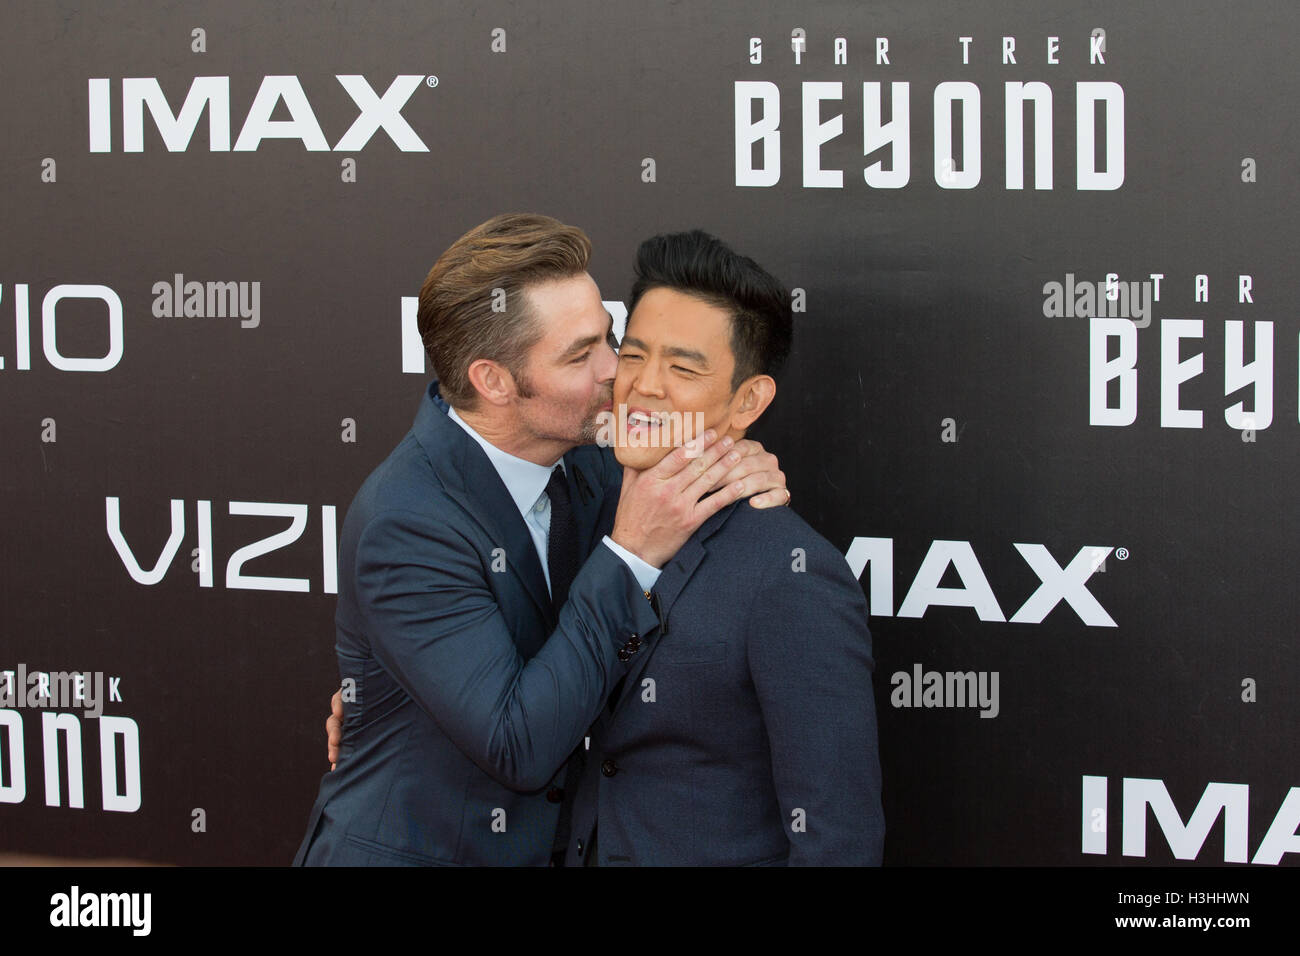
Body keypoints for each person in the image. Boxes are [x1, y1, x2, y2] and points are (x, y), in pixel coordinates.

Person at [293, 214, 788, 866]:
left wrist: (732, 457)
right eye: (580, 355)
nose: (620, 371)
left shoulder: (594, 457)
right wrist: (629, 553)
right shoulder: (406, 525)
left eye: (609, 337)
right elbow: (517, 747)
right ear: (494, 381)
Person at [564, 230, 884, 866]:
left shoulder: (790, 575)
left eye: (683, 368)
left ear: (748, 401)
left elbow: (837, 840)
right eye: (633, 355)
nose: (645, 387)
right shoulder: (576, 515)